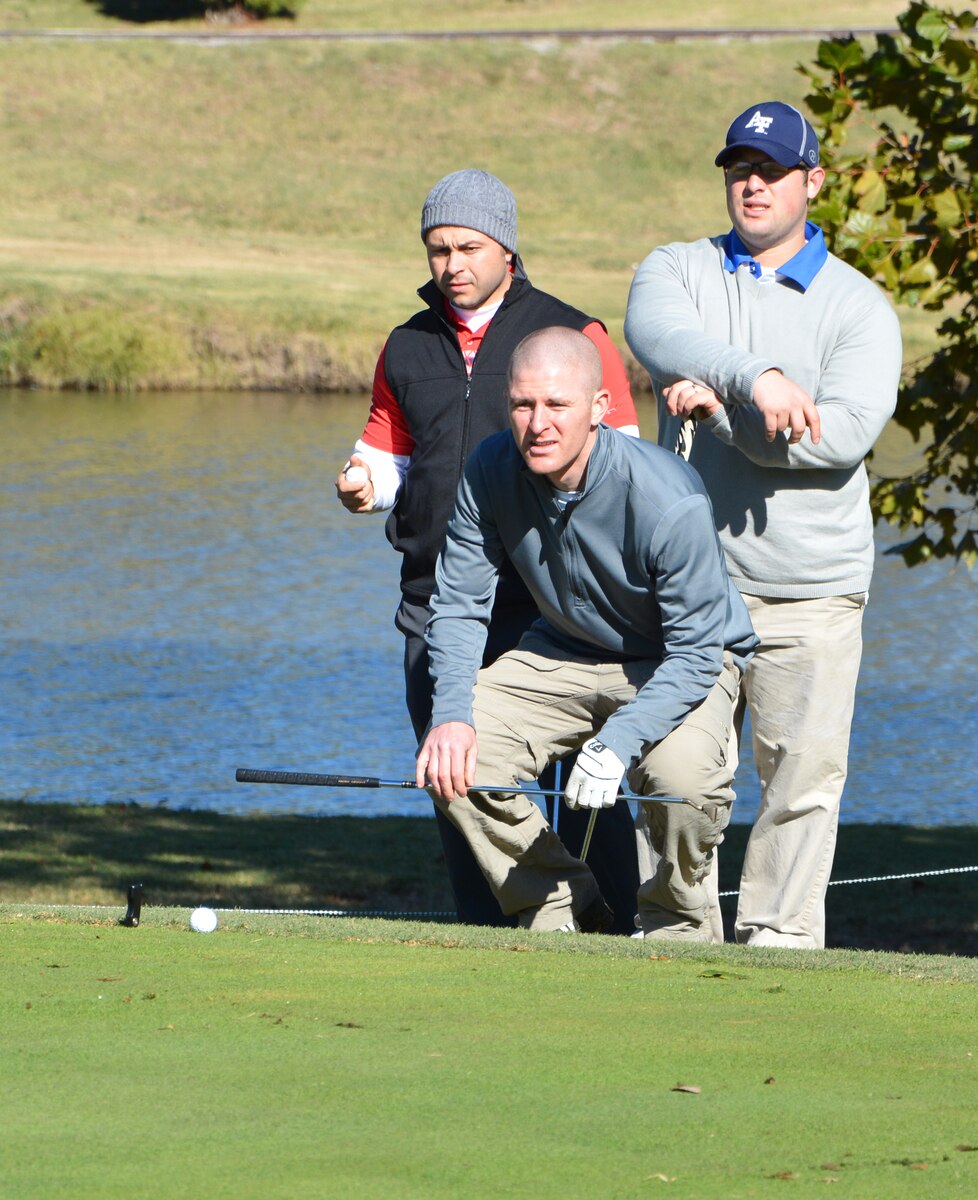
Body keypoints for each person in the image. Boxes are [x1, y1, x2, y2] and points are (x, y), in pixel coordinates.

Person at [623, 100, 902, 948]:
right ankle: (677, 934)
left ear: (812, 182)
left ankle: (779, 953)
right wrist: (758, 378)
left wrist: (725, 413)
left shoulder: (860, 307)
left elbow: (841, 438)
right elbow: (655, 331)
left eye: (773, 170)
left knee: (800, 785)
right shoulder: (682, 268)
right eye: (739, 167)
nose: (752, 184)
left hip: (812, 591)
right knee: (674, 773)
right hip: (694, 589)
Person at [336, 169, 642, 931]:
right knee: (455, 782)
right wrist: (361, 482)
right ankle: (492, 937)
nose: (451, 264)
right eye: (438, 248)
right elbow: (389, 453)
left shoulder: (574, 335)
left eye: (468, 245)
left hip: (556, 613)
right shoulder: (407, 346)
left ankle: (609, 927)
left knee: (587, 790)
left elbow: (628, 458)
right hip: (437, 603)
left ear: (507, 246)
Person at [416, 327, 758, 936]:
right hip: (564, 653)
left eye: (557, 405)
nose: (537, 424)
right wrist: (449, 716)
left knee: (681, 784)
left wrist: (617, 741)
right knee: (458, 758)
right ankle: (558, 904)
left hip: (680, 662)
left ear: (599, 409)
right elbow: (461, 602)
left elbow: (697, 653)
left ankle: (675, 923)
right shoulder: (489, 470)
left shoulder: (667, 498)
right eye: (523, 405)